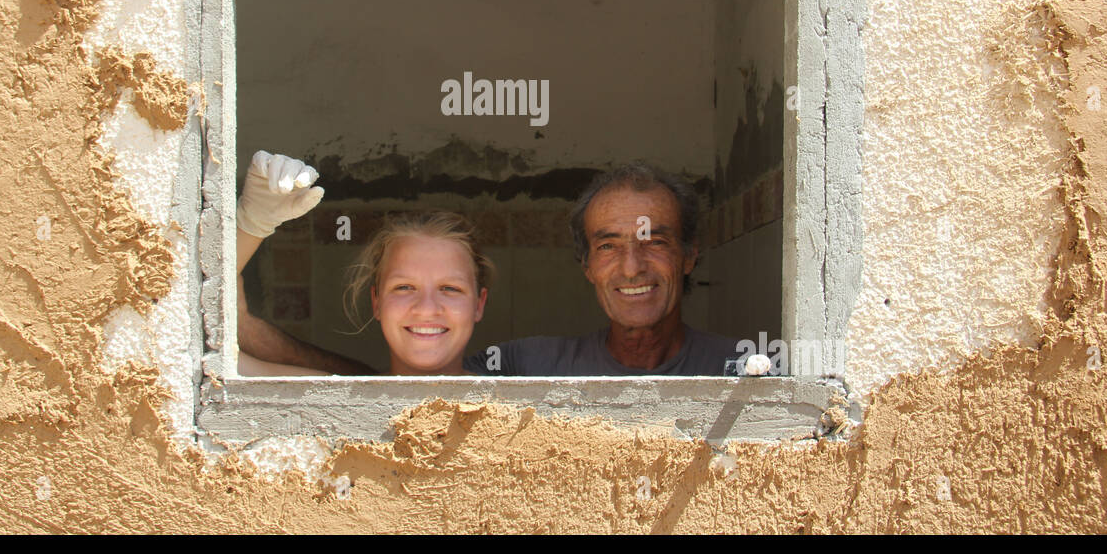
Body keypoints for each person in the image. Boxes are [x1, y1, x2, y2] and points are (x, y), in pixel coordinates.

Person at [460, 163, 741, 375]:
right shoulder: (527, 365)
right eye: (608, 246)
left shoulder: (741, 369)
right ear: (587, 265)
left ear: (689, 256)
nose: (631, 268)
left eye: (655, 242)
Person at [235, 151, 491, 375]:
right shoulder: (329, 396)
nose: (426, 309)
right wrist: (253, 223)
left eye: (450, 289)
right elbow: (210, 354)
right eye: (404, 287)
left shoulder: (522, 406)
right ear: (376, 302)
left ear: (479, 305)